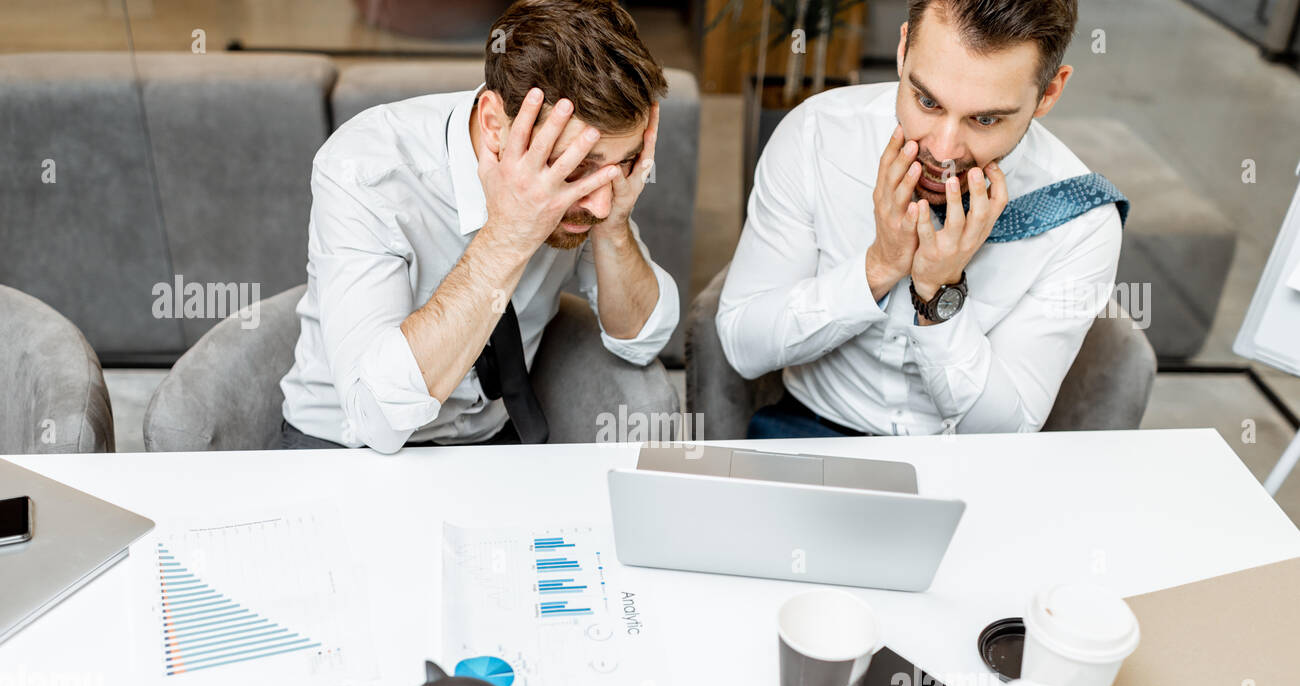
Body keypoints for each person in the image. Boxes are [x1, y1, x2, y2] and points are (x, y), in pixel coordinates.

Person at [278, 0, 678, 452]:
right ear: (494, 124)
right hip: (343, 450)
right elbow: (377, 420)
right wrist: (509, 234)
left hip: (493, 444)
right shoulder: (366, 170)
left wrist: (614, 225)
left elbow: (641, 342)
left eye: (622, 165)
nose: (600, 202)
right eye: (576, 166)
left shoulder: (597, 195)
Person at [718, 0, 1127, 439]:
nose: (944, 151)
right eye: (927, 101)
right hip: (807, 431)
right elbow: (743, 345)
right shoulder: (817, 135)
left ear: (1048, 93)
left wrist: (938, 294)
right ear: (902, 49)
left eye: (985, 119)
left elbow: (1006, 432)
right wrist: (878, 267)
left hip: (970, 462)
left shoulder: (1081, 220)